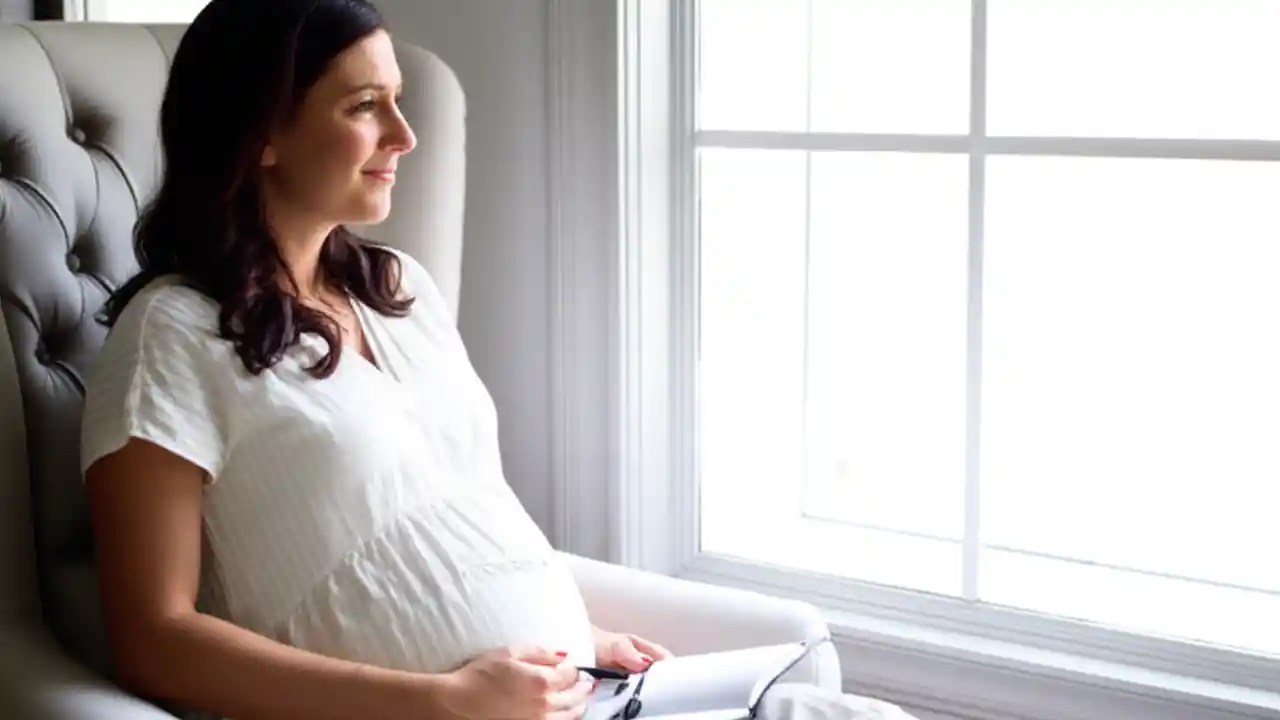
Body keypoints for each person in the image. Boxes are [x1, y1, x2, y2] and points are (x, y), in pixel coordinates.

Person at [80, 1, 915, 719]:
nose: (404, 136)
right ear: (263, 132)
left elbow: (449, 512)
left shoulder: (397, 291)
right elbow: (155, 639)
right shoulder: (173, 337)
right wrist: (441, 702)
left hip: (580, 695)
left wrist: (577, 637)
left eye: (398, 102)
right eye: (365, 106)